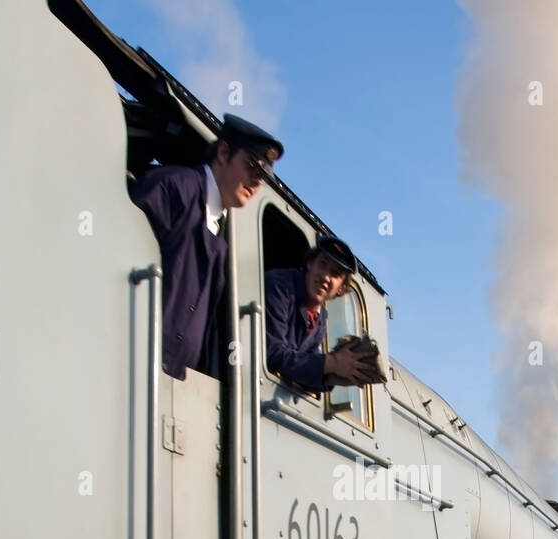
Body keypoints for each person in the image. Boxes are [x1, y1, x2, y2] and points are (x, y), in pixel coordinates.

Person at [129, 114, 283, 379]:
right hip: (133, 360)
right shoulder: (173, 189)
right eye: (252, 168)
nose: (257, 182)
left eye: (263, 177)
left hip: (171, 380)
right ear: (223, 152)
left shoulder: (221, 238)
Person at [264, 236, 380, 391]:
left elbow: (307, 363)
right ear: (310, 263)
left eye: (335, 273)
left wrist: (339, 372)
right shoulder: (279, 287)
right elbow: (273, 354)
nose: (325, 276)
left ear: (341, 288)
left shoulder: (320, 318)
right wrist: (333, 363)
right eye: (323, 264)